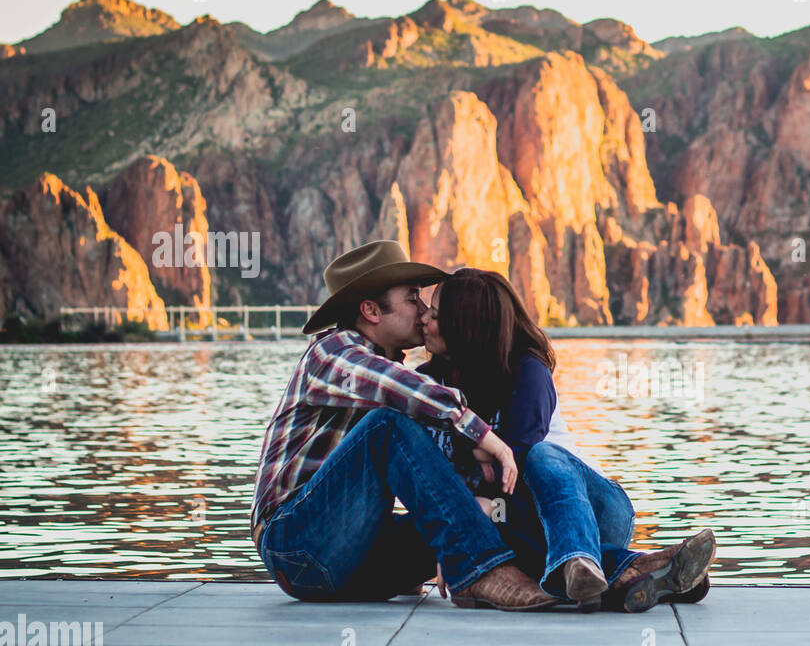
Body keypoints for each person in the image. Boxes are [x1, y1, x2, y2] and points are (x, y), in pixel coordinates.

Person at [250, 240, 555, 610]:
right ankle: (482, 571)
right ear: (371, 311)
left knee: (478, 510)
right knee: (387, 427)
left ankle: (612, 569)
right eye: (413, 298)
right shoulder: (331, 352)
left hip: (353, 556)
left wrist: (480, 505)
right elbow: (398, 388)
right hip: (295, 545)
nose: (424, 311)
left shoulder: (394, 372)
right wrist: (485, 435)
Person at [417, 267, 714, 613]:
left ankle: (581, 560)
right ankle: (639, 571)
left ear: (465, 325)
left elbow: (517, 463)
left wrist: (475, 504)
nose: (424, 320)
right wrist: (459, 527)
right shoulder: (427, 387)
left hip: (595, 507)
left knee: (542, 456)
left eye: (436, 315)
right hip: (520, 520)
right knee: (507, 531)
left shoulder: (526, 370)